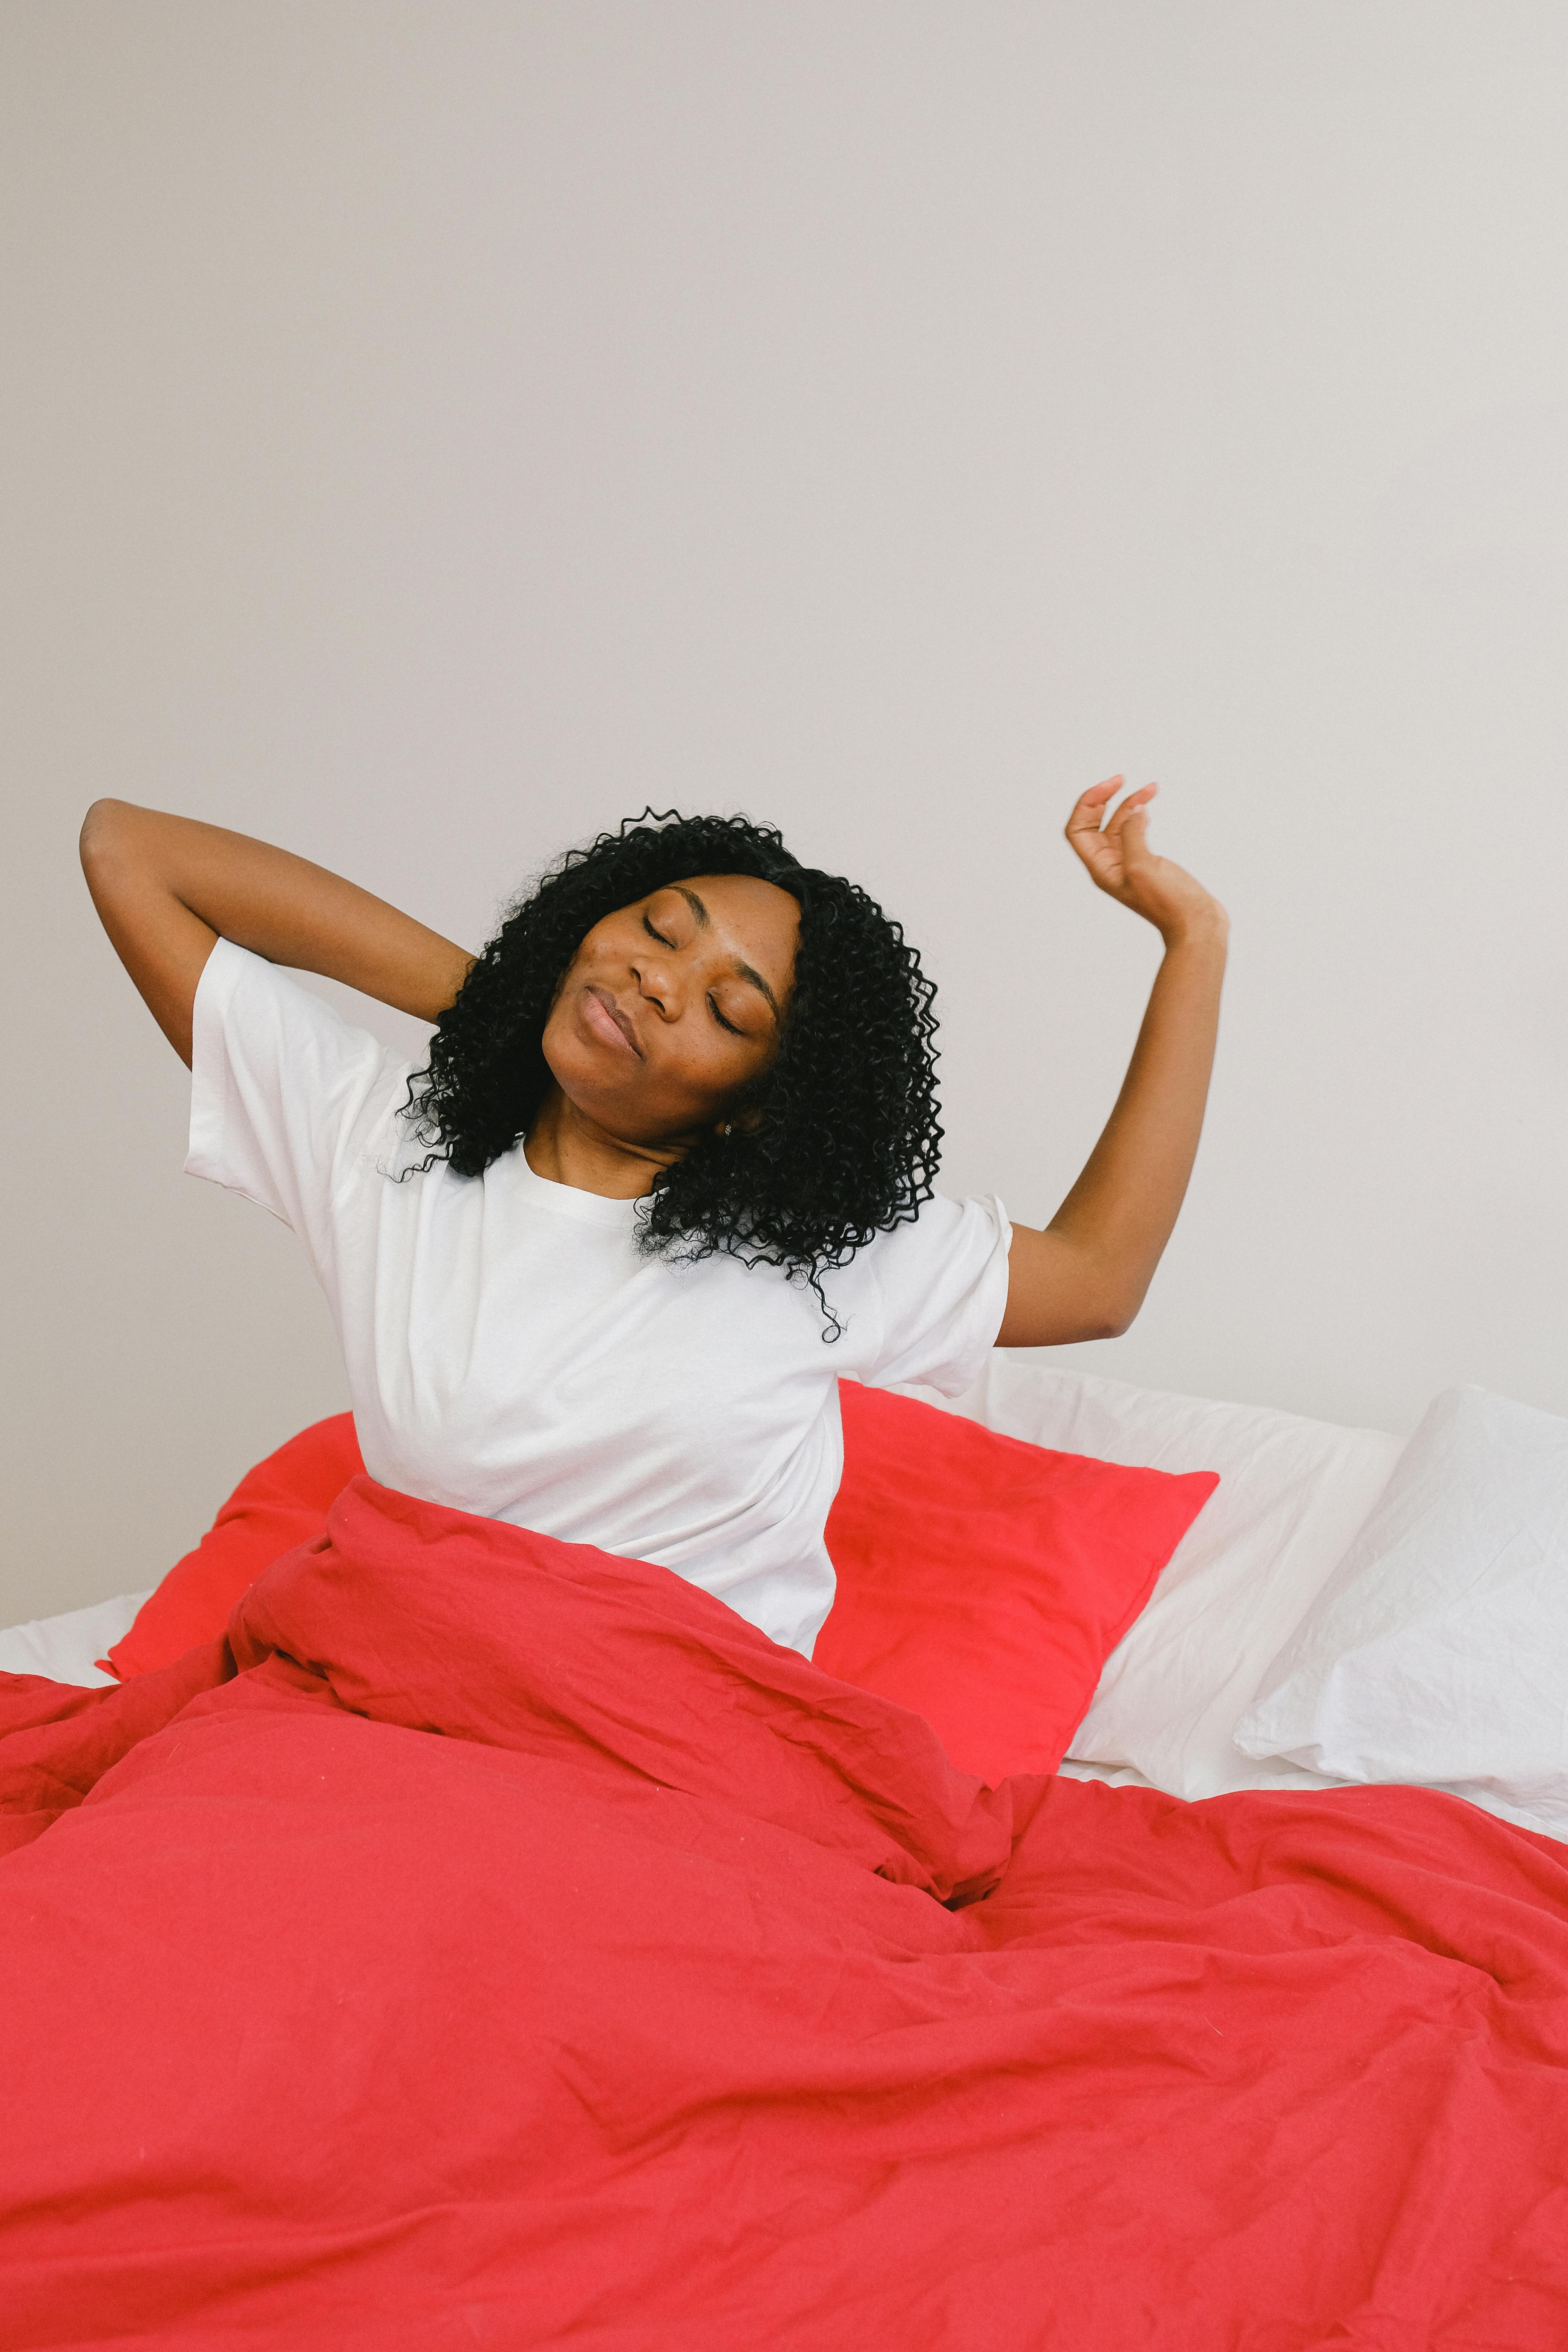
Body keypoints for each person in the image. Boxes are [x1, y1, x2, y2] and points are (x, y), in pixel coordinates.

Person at [79, 784, 1227, 1658]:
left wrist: (1194, 943)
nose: (657, 982)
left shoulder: (811, 1256)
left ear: (751, 1112)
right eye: (658, 930)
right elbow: (129, 849)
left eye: (728, 1010)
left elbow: (1097, 1277)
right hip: (412, 1697)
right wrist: (507, 1002)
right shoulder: (384, 1145)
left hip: (680, 1747)